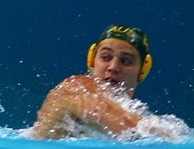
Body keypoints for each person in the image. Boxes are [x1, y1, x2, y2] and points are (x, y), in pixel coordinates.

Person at [31, 25, 183, 140]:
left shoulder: (130, 112)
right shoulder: (74, 88)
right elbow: (128, 128)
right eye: (105, 57)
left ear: (142, 70)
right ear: (92, 61)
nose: (113, 67)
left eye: (126, 61)